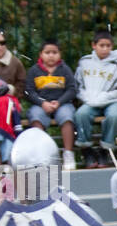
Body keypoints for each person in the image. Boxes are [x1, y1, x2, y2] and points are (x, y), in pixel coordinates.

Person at [73, 30, 117, 166]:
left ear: (112, 46)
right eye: (101, 45)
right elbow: (78, 85)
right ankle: (87, 150)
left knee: (114, 116)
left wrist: (102, 98)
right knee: (81, 114)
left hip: (112, 101)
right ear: (94, 45)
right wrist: (88, 98)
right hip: (90, 101)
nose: (105, 49)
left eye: (108, 46)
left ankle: (105, 150)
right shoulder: (84, 62)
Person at [24, 39, 79, 170]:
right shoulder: (34, 71)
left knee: (67, 117)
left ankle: (68, 154)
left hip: (61, 104)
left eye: (54, 52)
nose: (51, 55)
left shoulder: (64, 70)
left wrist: (59, 102)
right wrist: (42, 102)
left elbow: (72, 89)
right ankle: (41, 156)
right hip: (41, 105)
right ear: (41, 54)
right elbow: (28, 91)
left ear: (60, 54)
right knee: (36, 117)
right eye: (47, 52)